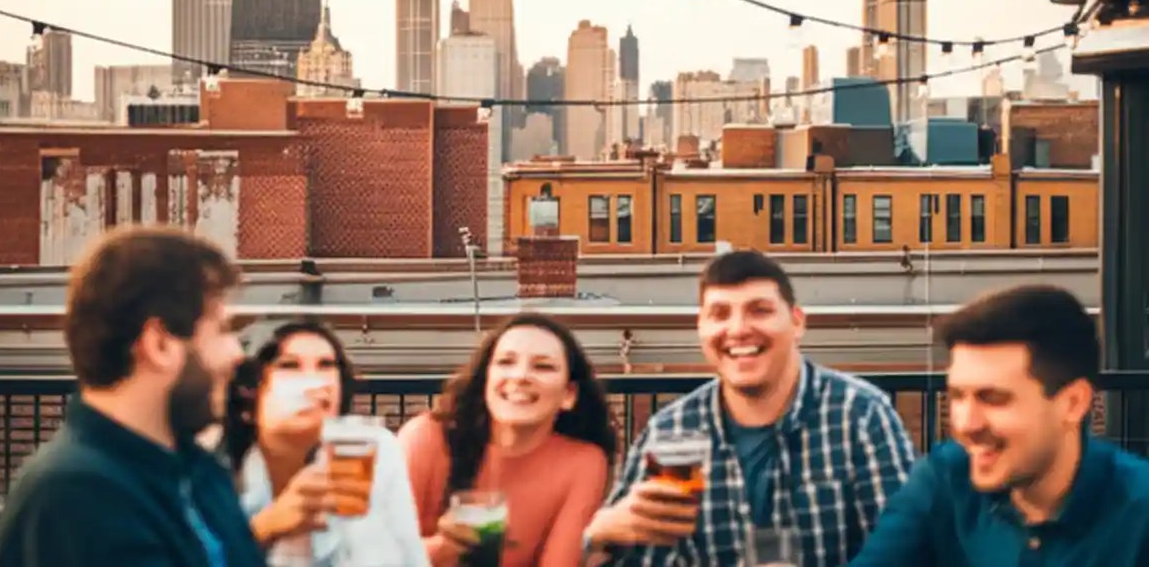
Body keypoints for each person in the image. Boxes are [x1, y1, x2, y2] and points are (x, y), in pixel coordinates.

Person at [584, 250, 916, 566]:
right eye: (720, 314)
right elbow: (647, 555)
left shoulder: (858, 416)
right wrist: (598, 538)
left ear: (797, 322)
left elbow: (910, 552)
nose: (739, 329)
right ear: (700, 327)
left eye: (760, 310)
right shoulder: (675, 433)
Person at [0, 226, 265, 566]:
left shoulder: (199, 473)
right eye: (221, 330)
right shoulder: (79, 497)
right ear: (159, 344)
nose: (236, 354)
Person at [849, 284, 1149, 566]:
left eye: (993, 398)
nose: (966, 424)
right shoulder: (945, 478)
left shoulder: (1137, 512)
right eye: (956, 396)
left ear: (1073, 403)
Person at [398, 312, 617, 567]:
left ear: (568, 394)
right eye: (505, 362)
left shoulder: (584, 462)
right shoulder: (425, 437)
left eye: (543, 366)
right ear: (486, 380)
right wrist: (445, 548)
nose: (520, 375)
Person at [224, 318, 429, 566]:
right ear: (248, 393)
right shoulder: (210, 470)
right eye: (289, 366)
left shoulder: (369, 450)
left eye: (326, 365)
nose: (315, 382)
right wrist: (264, 528)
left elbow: (410, 558)